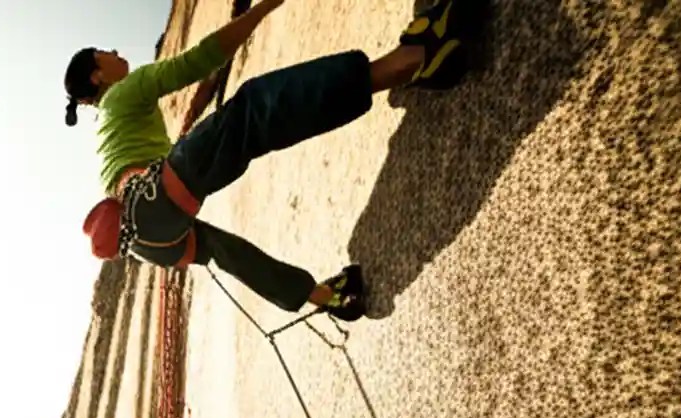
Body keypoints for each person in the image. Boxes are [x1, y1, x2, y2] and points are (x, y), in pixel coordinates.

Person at [66, 0, 485, 321]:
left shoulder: (107, 129)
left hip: (142, 241)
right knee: (253, 111)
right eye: (104, 52)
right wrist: (265, 7)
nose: (115, 51)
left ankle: (330, 296)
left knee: (228, 254)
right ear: (97, 76)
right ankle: (413, 61)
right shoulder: (122, 92)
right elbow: (198, 60)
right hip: (152, 197)